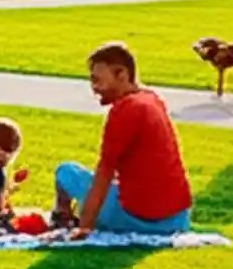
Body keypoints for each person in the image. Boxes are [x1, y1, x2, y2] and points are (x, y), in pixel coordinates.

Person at [53, 42, 192, 234]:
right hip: (178, 219)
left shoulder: (125, 110)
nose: (94, 88)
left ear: (122, 75)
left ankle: (63, 218)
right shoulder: (152, 99)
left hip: (143, 222)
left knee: (66, 172)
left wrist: (85, 227)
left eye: (98, 80)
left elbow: (104, 173)